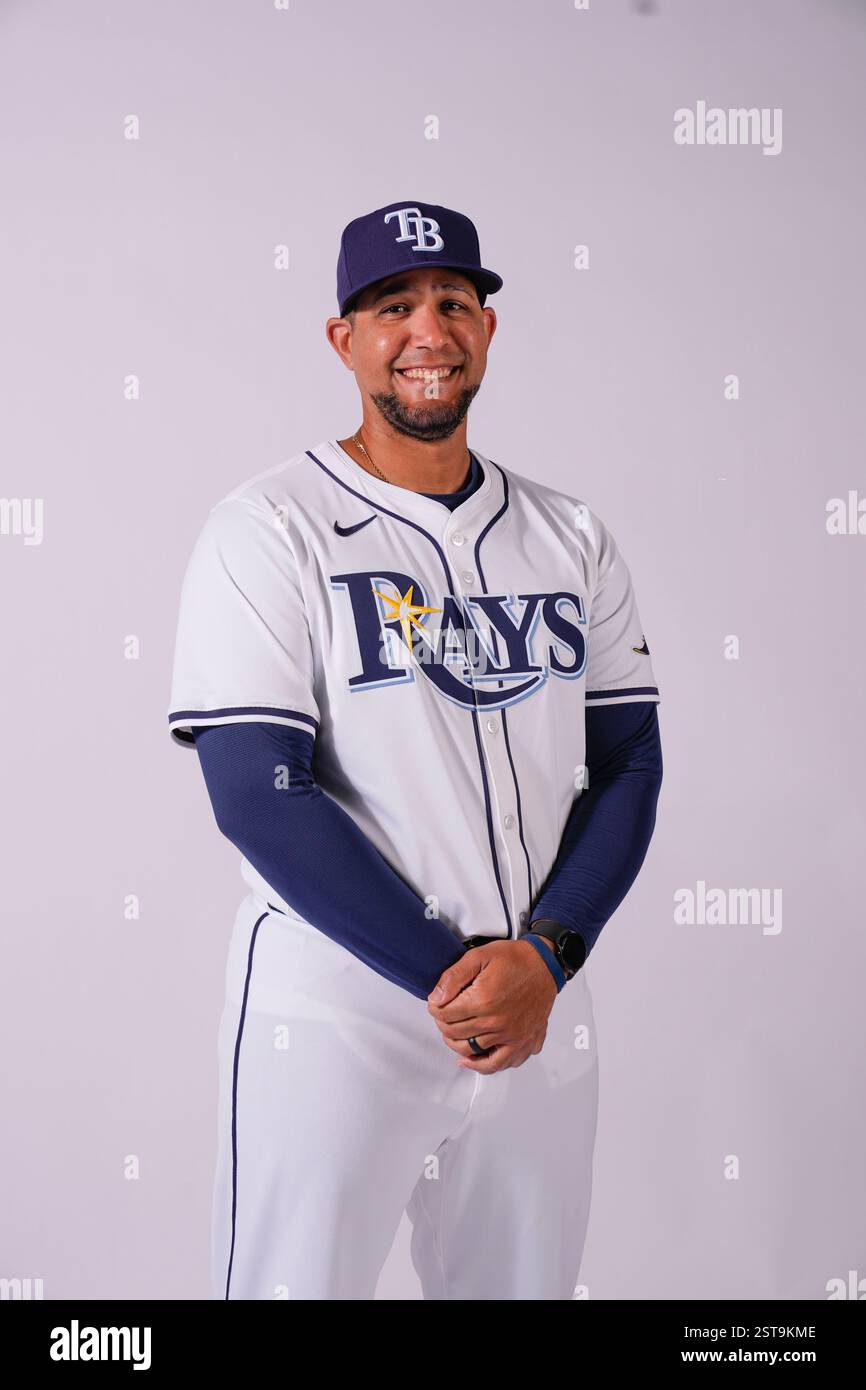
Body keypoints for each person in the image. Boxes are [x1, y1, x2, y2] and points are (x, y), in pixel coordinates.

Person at [167, 199, 663, 1300]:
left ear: (487, 328)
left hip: (540, 1003)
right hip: (337, 1006)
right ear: (343, 341)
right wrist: (457, 979)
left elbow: (627, 761)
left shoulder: (569, 533)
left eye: (452, 302)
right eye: (391, 306)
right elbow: (258, 791)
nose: (426, 332)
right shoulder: (267, 527)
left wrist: (544, 961)